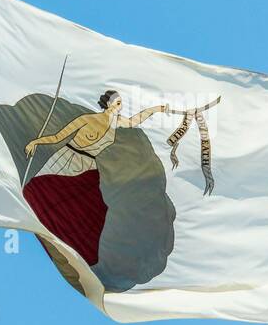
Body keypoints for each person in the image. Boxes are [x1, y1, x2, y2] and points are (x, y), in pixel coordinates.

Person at [22, 90, 168, 266]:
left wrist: (156, 109)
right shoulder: (87, 119)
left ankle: (76, 248)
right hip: (67, 159)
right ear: (109, 103)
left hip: (89, 165)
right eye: (118, 102)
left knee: (92, 207)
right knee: (43, 191)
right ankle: (46, 223)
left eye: (121, 103)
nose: (120, 106)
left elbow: (134, 121)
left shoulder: (116, 123)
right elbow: (58, 137)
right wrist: (35, 142)